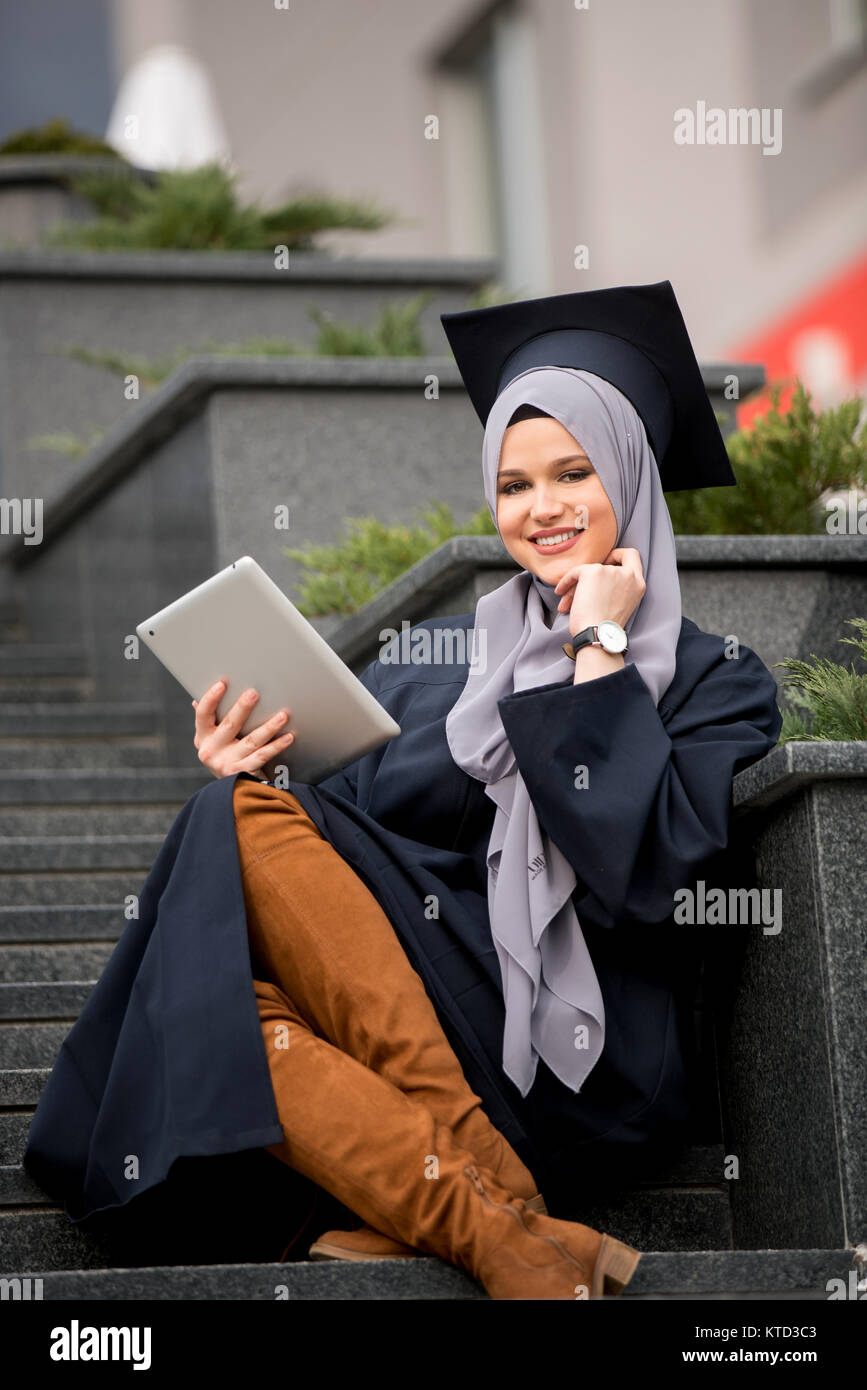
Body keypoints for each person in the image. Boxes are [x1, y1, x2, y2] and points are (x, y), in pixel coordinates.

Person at [23, 281, 783, 1300]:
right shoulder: (439, 665)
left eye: (574, 473)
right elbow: (344, 881)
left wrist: (599, 651)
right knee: (221, 979)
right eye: (514, 485)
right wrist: (265, 763)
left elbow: (640, 880)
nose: (541, 507)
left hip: (586, 1066)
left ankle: (490, 1215)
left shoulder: (714, 680)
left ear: (634, 482)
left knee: (228, 875)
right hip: (426, 1024)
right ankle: (500, 1226)